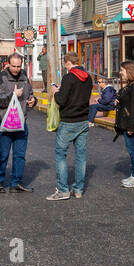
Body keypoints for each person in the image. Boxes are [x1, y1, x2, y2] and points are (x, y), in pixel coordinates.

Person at [48, 52, 92, 201]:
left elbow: (61, 100)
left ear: (67, 63)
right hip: (84, 120)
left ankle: (63, 190)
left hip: (68, 121)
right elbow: (78, 94)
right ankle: (78, 189)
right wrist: (64, 88)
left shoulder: (68, 78)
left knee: (61, 154)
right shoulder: (88, 77)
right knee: (81, 156)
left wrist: (55, 92)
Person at [0, 53, 37, 193]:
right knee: (3, 154)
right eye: (14, 66)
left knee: (20, 155)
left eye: (18, 66)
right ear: (8, 64)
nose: (16, 69)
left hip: (21, 121)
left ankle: (16, 182)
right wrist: (13, 95)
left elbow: (30, 94)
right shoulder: (2, 78)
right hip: (4, 123)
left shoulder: (24, 77)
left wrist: (33, 100)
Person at [114, 61, 134, 188]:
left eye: (122, 70)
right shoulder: (129, 85)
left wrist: (131, 127)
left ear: (129, 71)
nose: (120, 73)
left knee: (133, 151)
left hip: (131, 124)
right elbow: (125, 101)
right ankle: (133, 175)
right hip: (126, 122)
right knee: (131, 150)